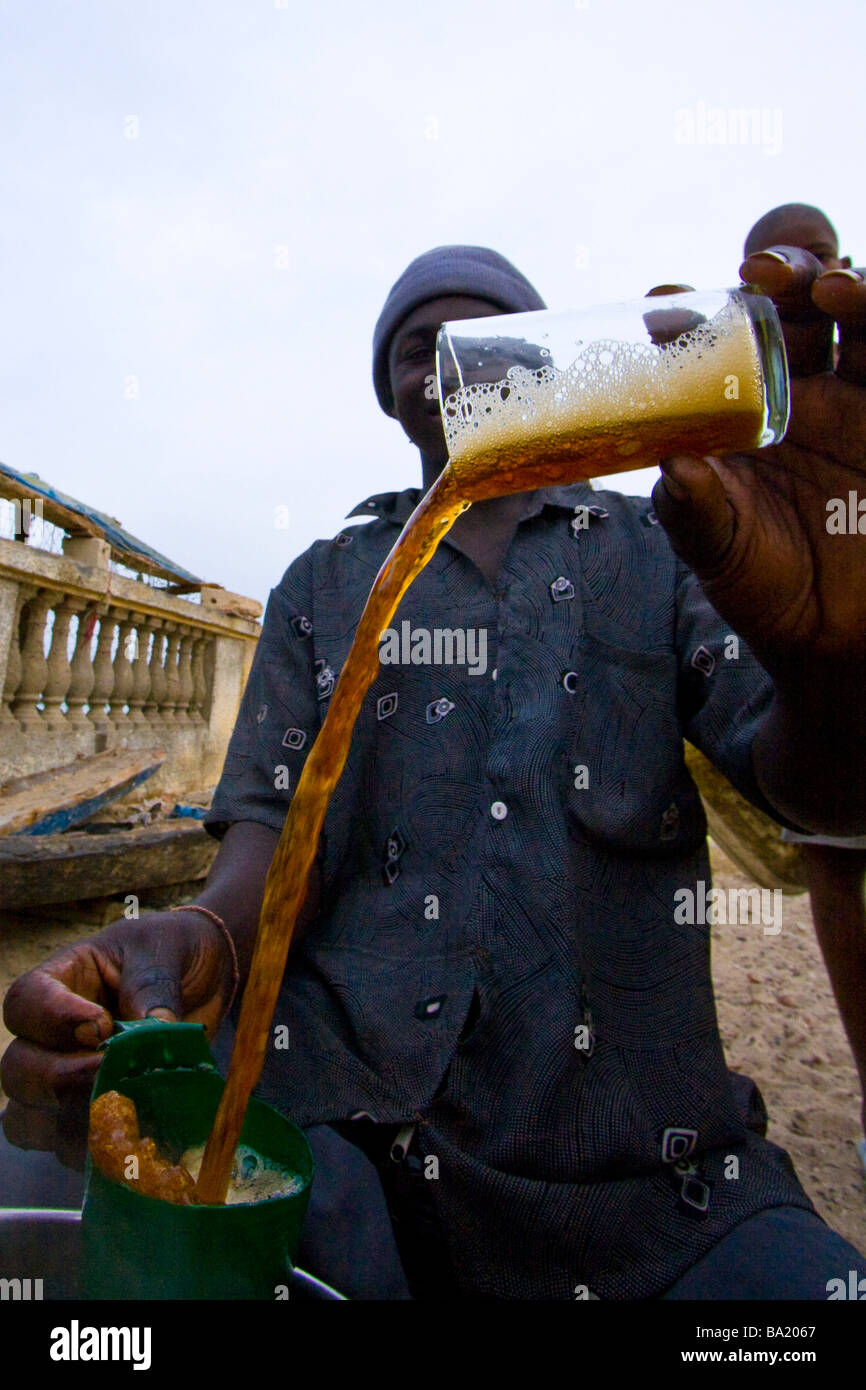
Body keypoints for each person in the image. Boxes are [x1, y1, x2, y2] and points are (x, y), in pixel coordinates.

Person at [4, 242, 866, 1300]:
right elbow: (269, 824)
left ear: (551, 365)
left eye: (489, 342)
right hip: (334, 1136)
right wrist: (213, 932)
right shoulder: (324, 582)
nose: (454, 368)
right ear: (390, 393)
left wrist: (832, 675)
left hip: (652, 1178)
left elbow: (806, 791)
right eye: (422, 350)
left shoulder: (661, 551)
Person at [744, 204, 866, 1170]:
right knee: (836, 884)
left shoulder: (851, 383)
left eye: (817, 260)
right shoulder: (741, 396)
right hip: (813, 730)